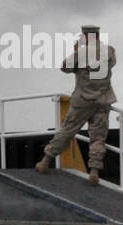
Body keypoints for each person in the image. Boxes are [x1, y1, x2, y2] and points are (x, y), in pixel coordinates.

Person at [36, 26, 117, 186]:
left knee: (67, 130)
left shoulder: (80, 54)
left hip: (82, 101)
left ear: (86, 37)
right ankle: (94, 171)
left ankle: (45, 161)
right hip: (103, 100)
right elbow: (112, 64)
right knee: (98, 138)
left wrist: (76, 52)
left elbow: (64, 67)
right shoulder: (110, 51)